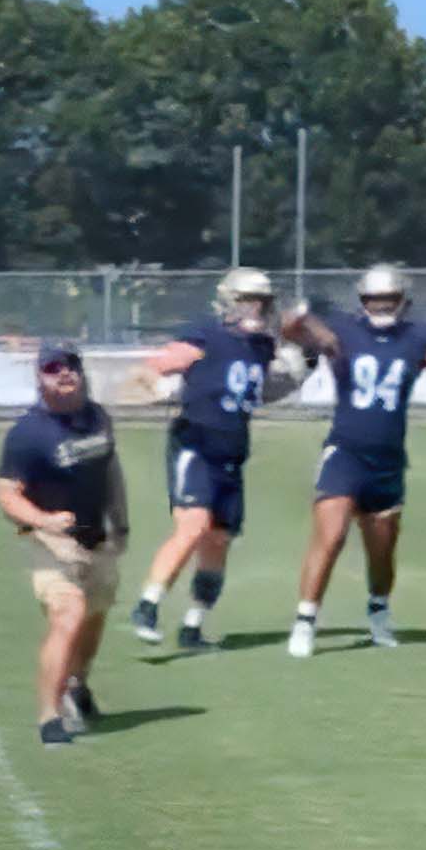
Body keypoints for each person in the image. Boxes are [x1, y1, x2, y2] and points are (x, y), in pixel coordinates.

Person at [279, 266, 426, 657]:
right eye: (375, 299)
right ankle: (306, 619)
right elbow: (292, 330)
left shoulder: (418, 336)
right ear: (362, 301)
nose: (382, 306)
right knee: (331, 535)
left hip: (388, 459)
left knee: (381, 552)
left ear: (403, 301)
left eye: (389, 300)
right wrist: (302, 312)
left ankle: (378, 610)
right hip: (345, 450)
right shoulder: (342, 330)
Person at [125, 268, 287, 650]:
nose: (258, 309)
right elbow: (155, 365)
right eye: (250, 300)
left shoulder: (262, 346)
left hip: (231, 453)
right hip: (195, 445)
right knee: (193, 526)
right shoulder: (206, 334)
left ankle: (193, 627)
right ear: (230, 301)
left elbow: (258, 391)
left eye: (262, 302)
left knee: (218, 541)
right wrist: (155, 385)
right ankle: (148, 605)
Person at [0, 342, 129, 745]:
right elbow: (6, 493)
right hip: (50, 542)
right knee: (68, 613)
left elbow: (110, 469)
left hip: (97, 538)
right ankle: (49, 717)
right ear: (39, 377)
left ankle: (77, 685)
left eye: (71, 365)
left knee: (93, 620)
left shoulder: (98, 418)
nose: (64, 373)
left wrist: (121, 521)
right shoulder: (28, 433)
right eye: (53, 368)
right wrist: (45, 522)